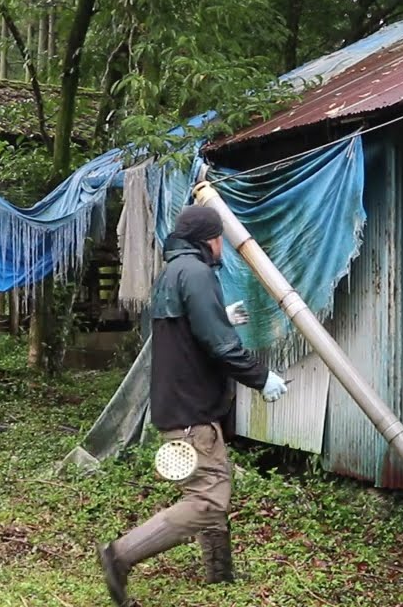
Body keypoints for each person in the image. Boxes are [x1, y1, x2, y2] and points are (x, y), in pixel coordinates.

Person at [98, 204, 288, 606]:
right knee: (206, 499)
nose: (223, 248)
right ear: (209, 240)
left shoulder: (173, 272)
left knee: (217, 482)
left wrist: (223, 316)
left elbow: (189, 330)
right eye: (220, 240)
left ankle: (219, 574)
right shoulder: (198, 273)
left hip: (180, 408)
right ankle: (120, 556)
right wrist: (260, 378)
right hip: (191, 415)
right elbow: (219, 347)